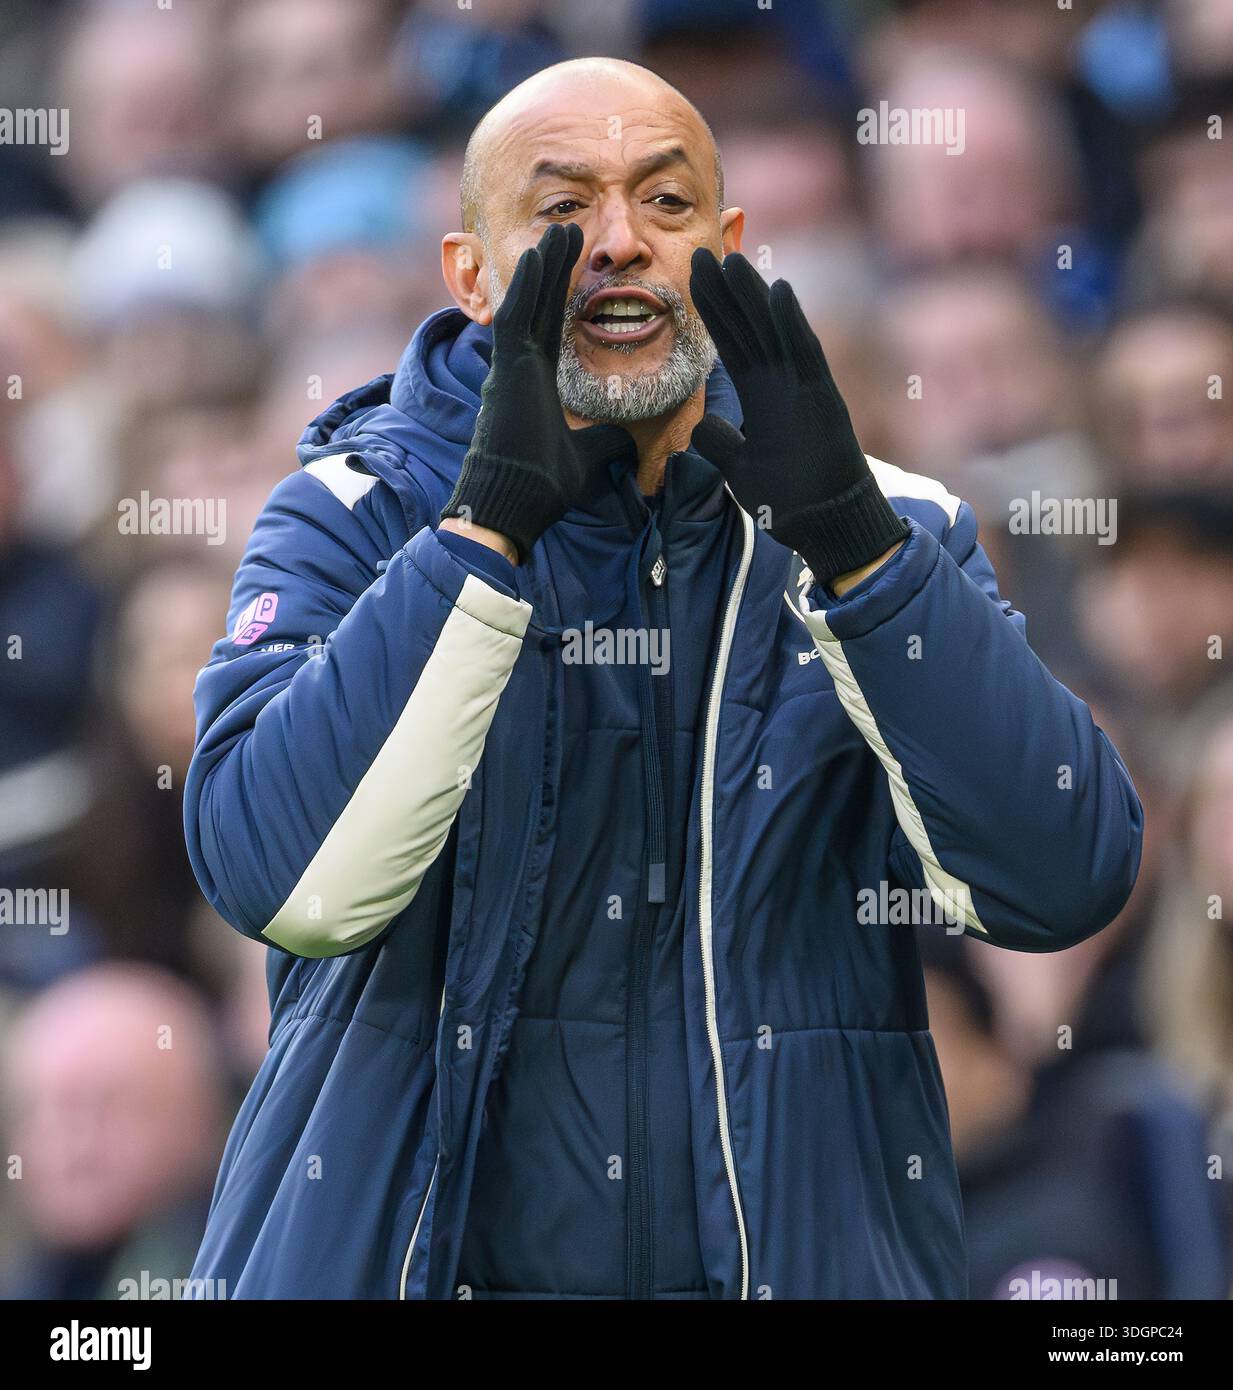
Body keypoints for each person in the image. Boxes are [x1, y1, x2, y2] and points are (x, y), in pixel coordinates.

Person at [184, 57, 1143, 1300]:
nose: (620, 242)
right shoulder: (353, 510)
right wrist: (484, 532)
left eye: (668, 204)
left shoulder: (884, 524)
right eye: (563, 208)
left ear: (730, 247)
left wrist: (856, 552)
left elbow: (1063, 876)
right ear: (471, 274)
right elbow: (283, 877)